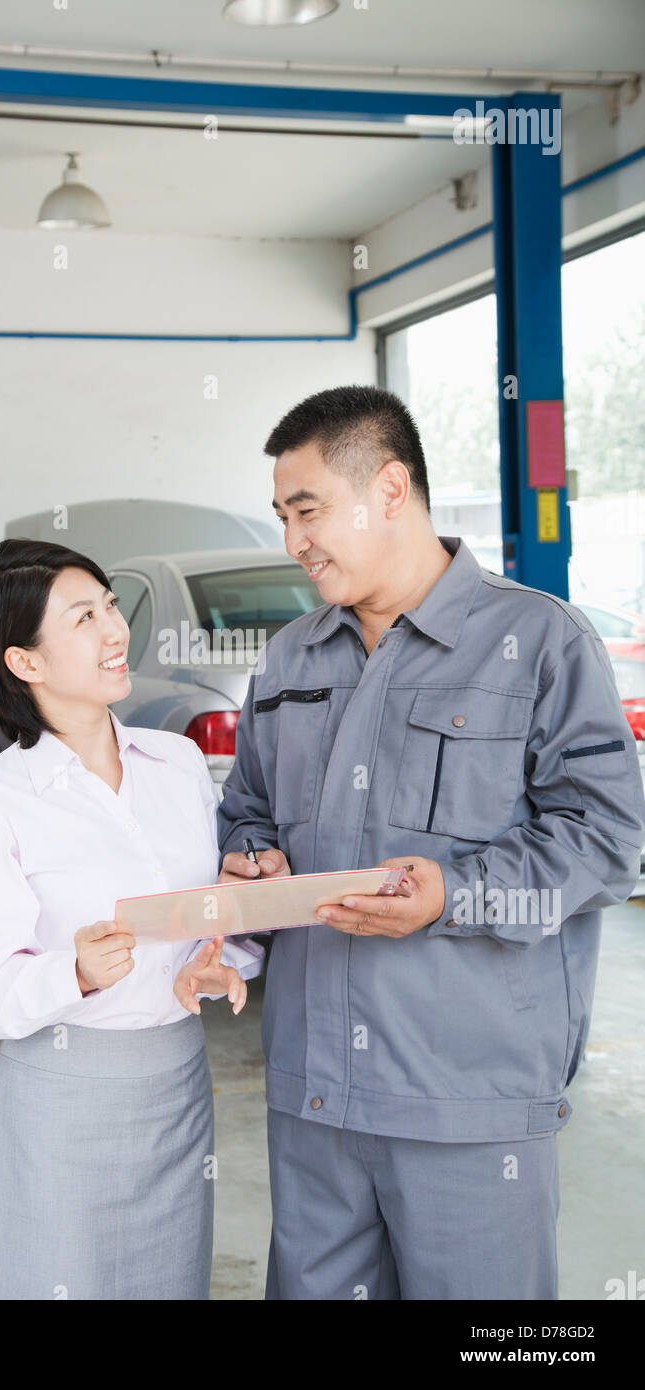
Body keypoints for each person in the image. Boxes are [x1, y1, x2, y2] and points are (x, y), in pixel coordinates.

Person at [217, 384, 645, 1301]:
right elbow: (248, 802)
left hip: (467, 1098)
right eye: (283, 516)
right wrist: (251, 854)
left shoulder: (539, 642)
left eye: (309, 510)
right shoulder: (292, 657)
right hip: (313, 1093)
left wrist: (455, 894)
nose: (295, 540)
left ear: (392, 490)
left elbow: (608, 840)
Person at [0, 538, 264, 1300]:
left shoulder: (176, 763)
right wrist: (74, 971)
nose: (116, 631)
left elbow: (204, 912)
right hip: (62, 1103)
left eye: (112, 607)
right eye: (85, 618)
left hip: (179, 1090)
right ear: (27, 662)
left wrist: (220, 958)